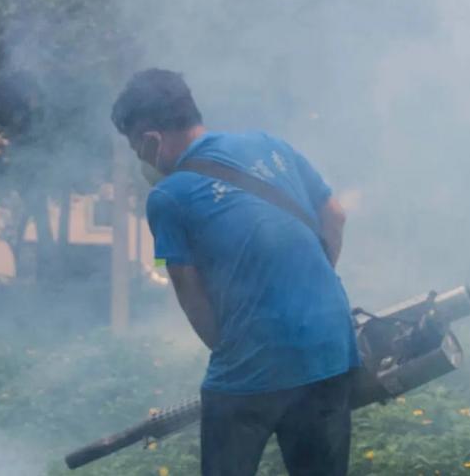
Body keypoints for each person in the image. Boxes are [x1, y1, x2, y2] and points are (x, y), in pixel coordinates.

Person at [110, 68, 358, 476]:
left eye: (138, 150)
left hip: (252, 365)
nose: (142, 162)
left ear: (151, 139)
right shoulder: (268, 144)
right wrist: (305, 292)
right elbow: (336, 216)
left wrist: (228, 348)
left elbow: (186, 290)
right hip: (331, 343)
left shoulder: (167, 197)